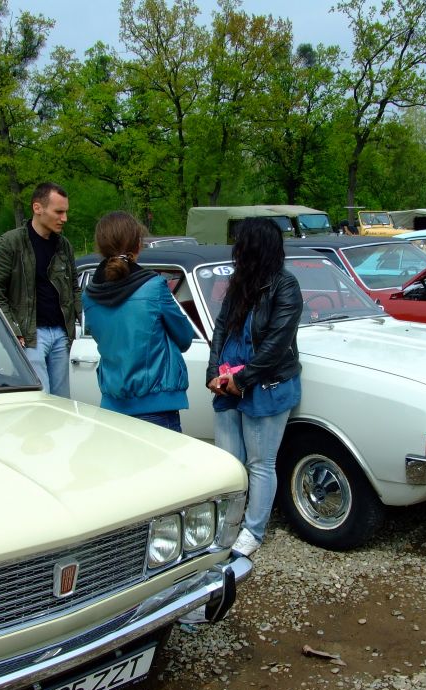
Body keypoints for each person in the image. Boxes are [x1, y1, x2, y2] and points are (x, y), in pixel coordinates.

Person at [206, 217, 303, 557]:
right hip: (228, 382)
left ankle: (253, 530)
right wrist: (212, 372)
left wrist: (241, 380)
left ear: (253, 247)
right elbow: (220, 329)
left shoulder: (285, 286)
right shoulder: (239, 283)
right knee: (231, 461)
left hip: (266, 385)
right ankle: (228, 524)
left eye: (241, 244)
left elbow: (276, 344)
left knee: (261, 462)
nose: (236, 250)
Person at [82, 211, 193, 431]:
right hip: (156, 402)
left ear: (100, 247)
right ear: (138, 245)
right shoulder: (154, 287)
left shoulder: (89, 295)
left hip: (112, 404)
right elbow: (185, 338)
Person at [0, 182, 80, 398]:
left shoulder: (63, 245)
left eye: (65, 212)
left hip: (61, 334)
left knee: (61, 402)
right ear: (37, 208)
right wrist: (14, 329)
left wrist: (77, 323)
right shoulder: (10, 243)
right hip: (30, 335)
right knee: (40, 399)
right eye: (58, 212)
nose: (64, 218)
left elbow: (74, 288)